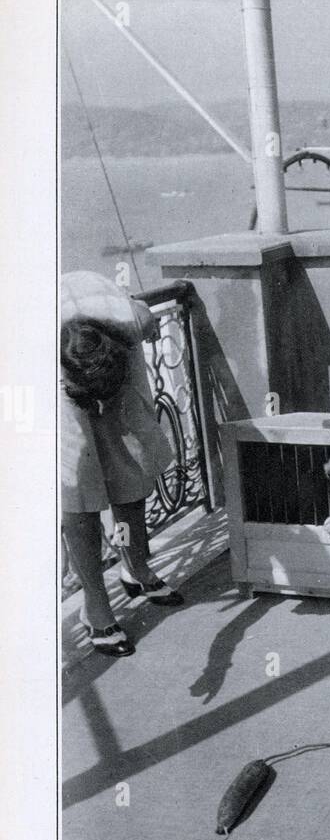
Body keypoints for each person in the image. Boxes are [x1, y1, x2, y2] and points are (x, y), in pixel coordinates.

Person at [61, 271, 184, 657]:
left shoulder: (132, 323)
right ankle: (95, 607)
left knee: (128, 474)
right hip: (62, 390)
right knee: (79, 496)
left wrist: (109, 391)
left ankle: (135, 568)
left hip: (114, 366)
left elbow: (143, 317)